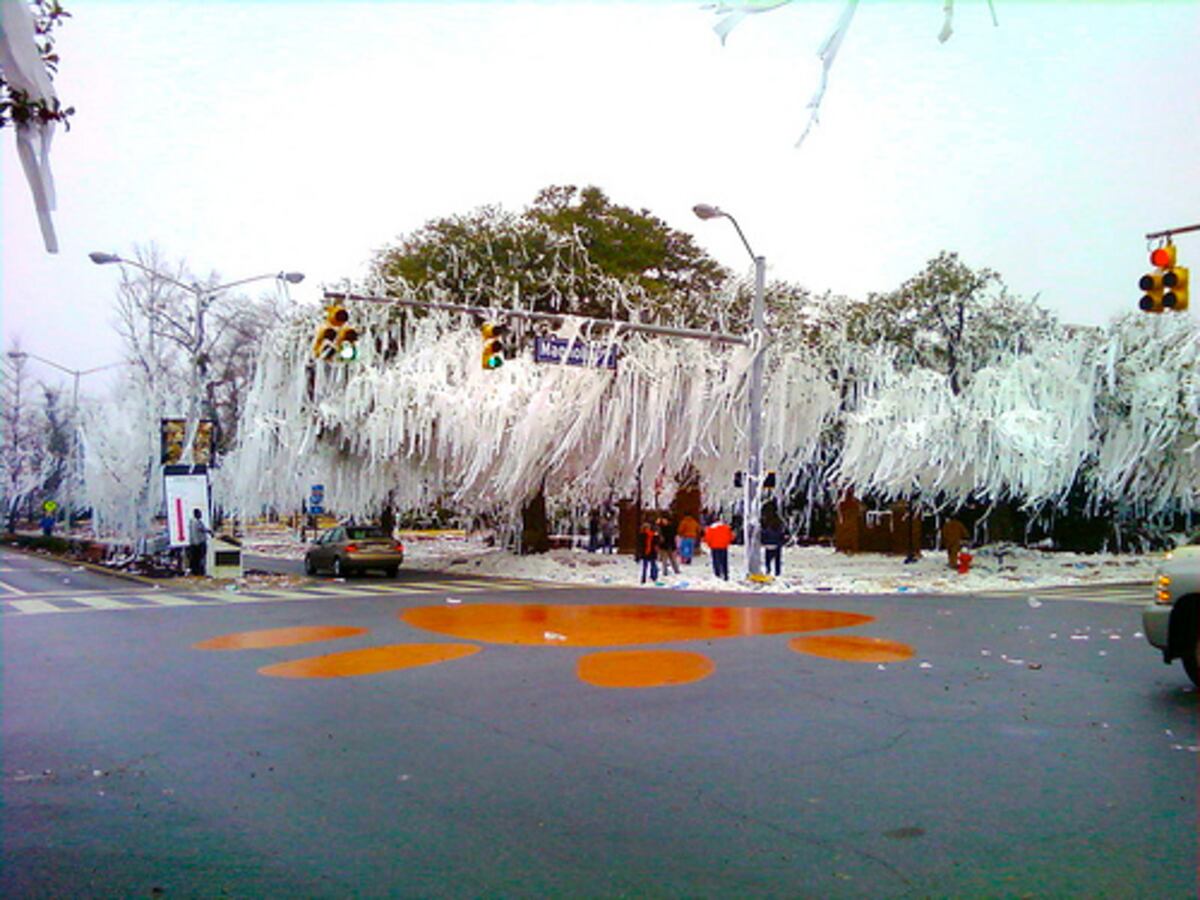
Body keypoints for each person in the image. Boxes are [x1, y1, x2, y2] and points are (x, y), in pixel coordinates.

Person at [703, 515, 733, 581]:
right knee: (724, 561)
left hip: (714, 546)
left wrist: (709, 544)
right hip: (723, 546)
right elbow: (731, 537)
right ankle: (725, 574)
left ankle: (717, 574)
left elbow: (708, 538)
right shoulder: (726, 528)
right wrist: (727, 543)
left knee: (716, 560)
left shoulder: (711, 528)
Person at [187, 507, 211, 576]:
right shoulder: (197, 522)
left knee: (194, 558)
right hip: (199, 543)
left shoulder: (191, 522)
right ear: (196, 514)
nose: (201, 515)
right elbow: (203, 529)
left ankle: (195, 571)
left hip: (193, 543)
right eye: (200, 513)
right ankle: (200, 572)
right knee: (200, 558)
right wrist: (210, 532)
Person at [638, 519, 660, 584]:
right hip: (651, 552)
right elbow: (657, 542)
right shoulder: (652, 534)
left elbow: (640, 545)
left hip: (646, 552)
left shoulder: (642, 535)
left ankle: (645, 578)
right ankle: (652, 577)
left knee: (646, 566)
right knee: (652, 565)